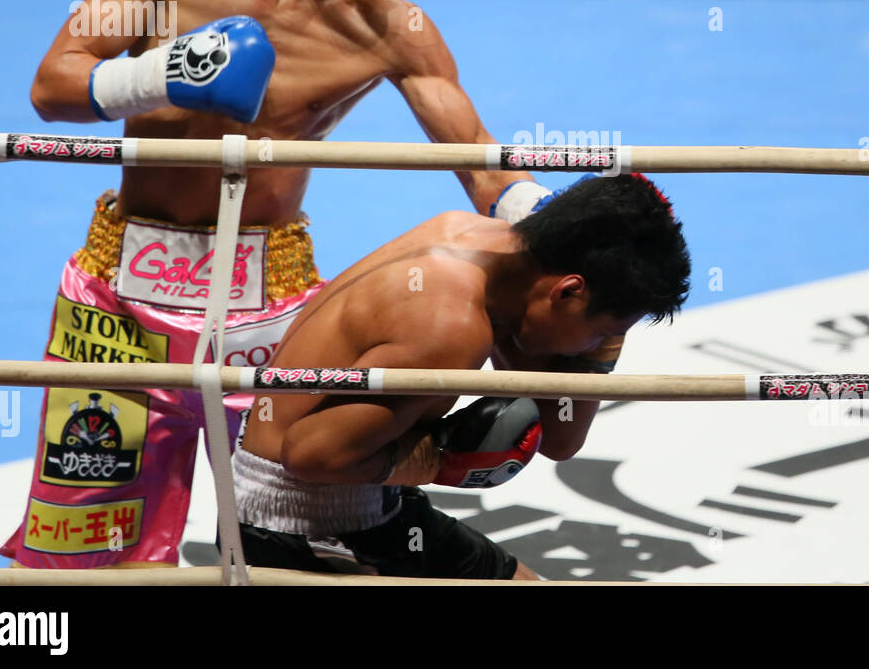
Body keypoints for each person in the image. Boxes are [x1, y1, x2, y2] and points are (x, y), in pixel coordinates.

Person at [0, 0, 568, 569]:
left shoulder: (386, 27)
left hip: (270, 317)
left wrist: (573, 231)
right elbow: (53, 82)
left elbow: (483, 167)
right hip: (119, 302)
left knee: (295, 548)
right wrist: (163, 73)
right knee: (90, 563)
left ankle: (418, 464)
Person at [234, 173, 691, 580]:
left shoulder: (488, 248)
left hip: (367, 505)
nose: (592, 351)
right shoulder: (449, 327)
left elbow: (559, 436)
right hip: (302, 528)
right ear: (568, 290)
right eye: (601, 335)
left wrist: (612, 321)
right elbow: (312, 456)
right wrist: (432, 461)